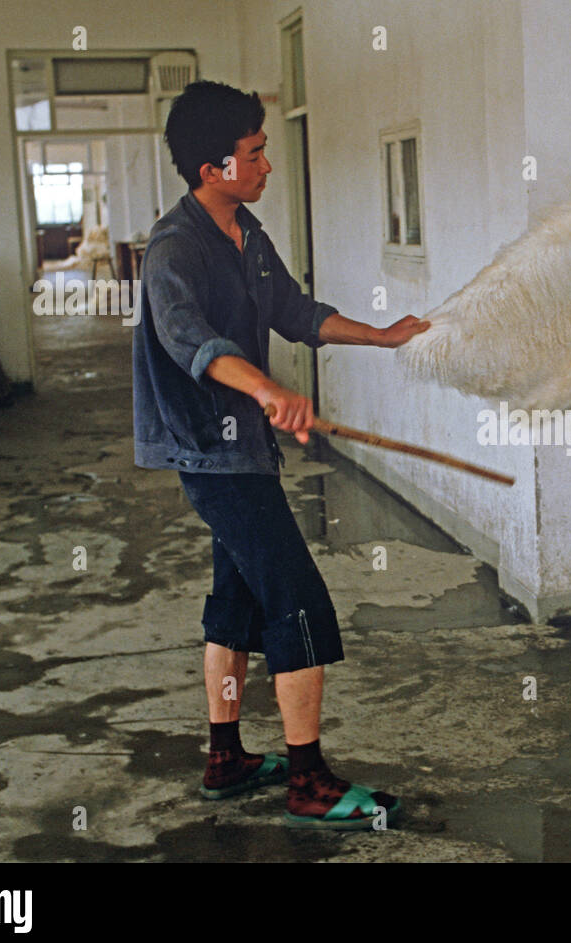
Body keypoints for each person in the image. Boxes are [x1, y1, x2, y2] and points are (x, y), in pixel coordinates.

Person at [131, 80, 429, 829]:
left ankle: (225, 757)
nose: (267, 165)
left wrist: (382, 336)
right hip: (213, 454)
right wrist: (266, 390)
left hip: (247, 450)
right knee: (298, 605)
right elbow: (191, 342)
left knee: (234, 606)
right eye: (255, 153)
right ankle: (309, 781)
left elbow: (295, 312)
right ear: (212, 168)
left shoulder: (246, 232)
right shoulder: (174, 249)